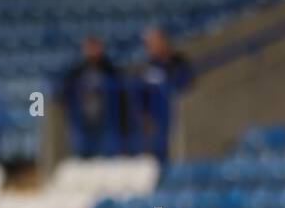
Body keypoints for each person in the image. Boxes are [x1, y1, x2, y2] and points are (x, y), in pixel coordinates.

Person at [131, 26, 193, 161]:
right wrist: (143, 114)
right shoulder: (146, 67)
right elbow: (139, 94)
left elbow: (185, 83)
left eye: (154, 42)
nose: (151, 47)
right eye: (148, 44)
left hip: (177, 117)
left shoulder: (178, 62)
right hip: (155, 123)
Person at [59, 35, 121, 157]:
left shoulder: (110, 69)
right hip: (83, 117)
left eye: (94, 47)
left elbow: (120, 87)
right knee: (83, 150)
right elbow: (65, 87)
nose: (92, 51)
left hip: (107, 117)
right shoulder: (77, 70)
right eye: (89, 48)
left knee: (107, 151)